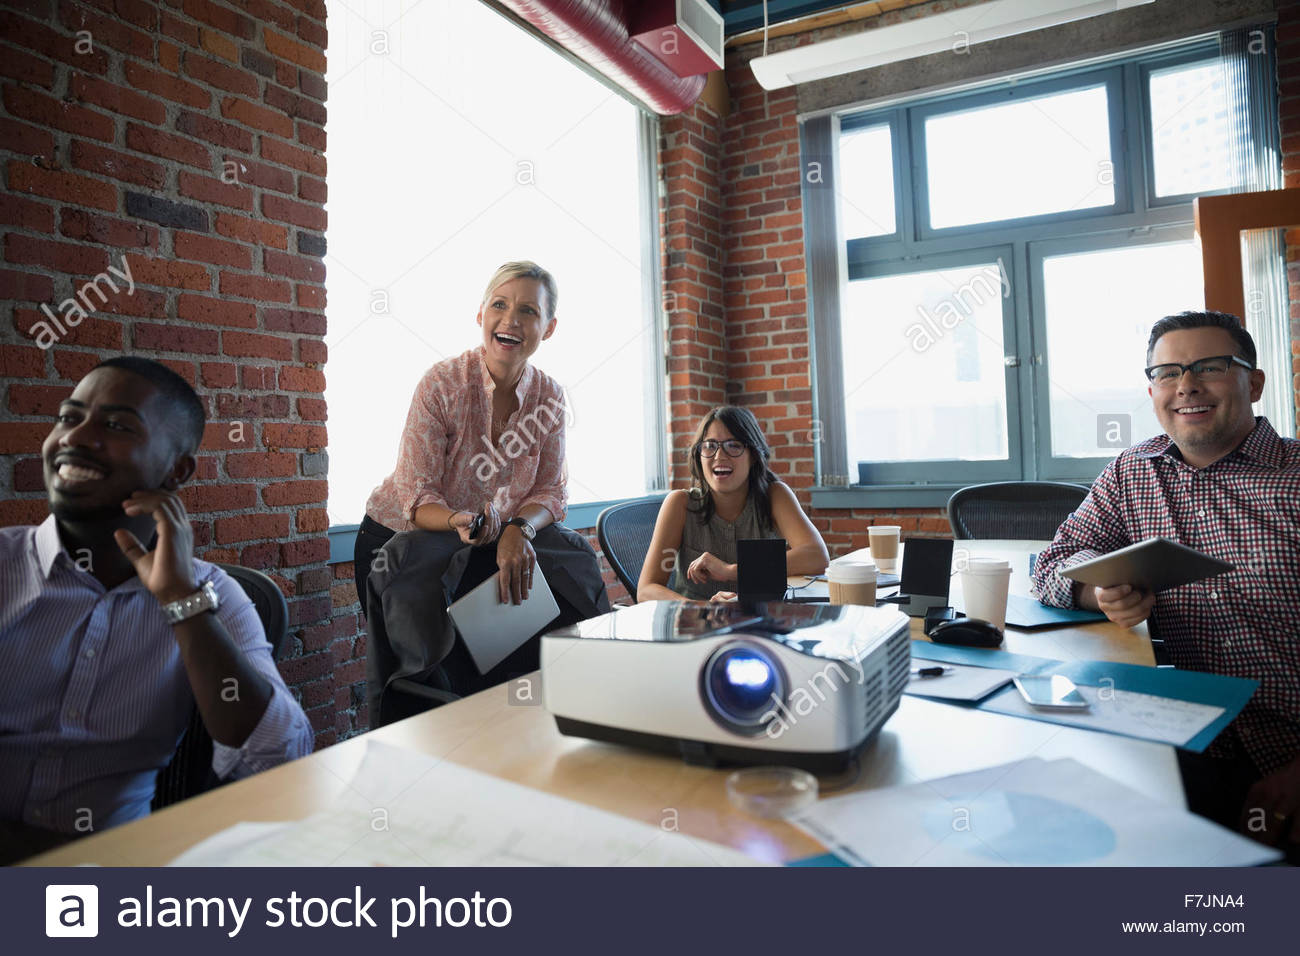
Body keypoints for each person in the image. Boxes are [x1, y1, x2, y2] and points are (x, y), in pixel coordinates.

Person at [0, 357, 312, 863]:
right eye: (68, 417)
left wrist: (182, 605)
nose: (76, 438)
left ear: (177, 470)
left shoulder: (212, 592)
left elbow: (281, 762)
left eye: (116, 425)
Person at [1031, 311, 1299, 858]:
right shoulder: (1134, 471)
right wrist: (1100, 591)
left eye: (1210, 367)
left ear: (1254, 382)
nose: (1186, 386)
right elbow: (1052, 563)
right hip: (1187, 738)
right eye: (1167, 372)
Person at [357, 261, 609, 726]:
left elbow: (550, 489)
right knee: (433, 672)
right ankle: (418, 745)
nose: (511, 319)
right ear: (480, 315)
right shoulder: (442, 384)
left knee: (568, 559)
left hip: (487, 535)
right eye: (500, 305)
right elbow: (418, 494)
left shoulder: (550, 397)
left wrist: (520, 530)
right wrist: (457, 521)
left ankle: (588, 688)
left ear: (548, 328)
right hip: (402, 539)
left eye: (528, 311)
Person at [638, 406, 829, 602]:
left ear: (753, 455)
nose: (720, 456)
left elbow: (816, 556)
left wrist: (731, 571)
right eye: (710, 446)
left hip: (761, 622)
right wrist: (703, 608)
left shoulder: (775, 495)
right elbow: (646, 590)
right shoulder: (679, 504)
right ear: (698, 455)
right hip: (697, 627)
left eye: (733, 445)